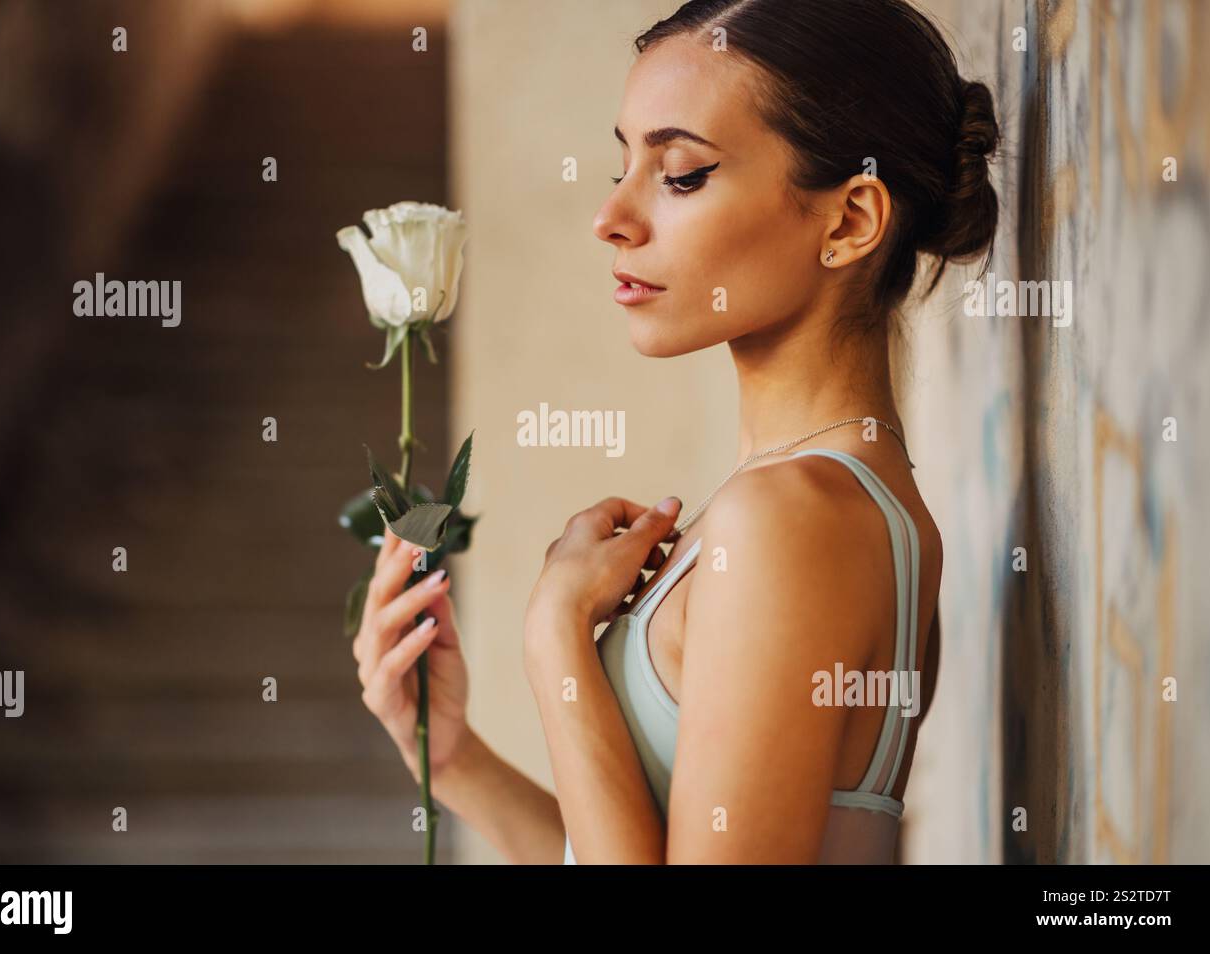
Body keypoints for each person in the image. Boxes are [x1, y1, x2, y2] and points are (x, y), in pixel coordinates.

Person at [352, 0, 999, 863]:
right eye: (624, 162)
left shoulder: (794, 518)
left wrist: (556, 642)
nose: (612, 217)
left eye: (682, 173)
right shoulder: (808, 504)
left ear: (848, 222)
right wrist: (455, 759)